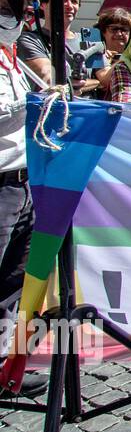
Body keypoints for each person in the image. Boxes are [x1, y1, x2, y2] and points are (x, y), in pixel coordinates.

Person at [0, 32, 43, 398]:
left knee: (13, 285)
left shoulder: (10, 54)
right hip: (1, 183)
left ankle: (2, 369)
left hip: (23, 179)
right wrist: (32, 105)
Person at [17, 0, 82, 87]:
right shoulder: (29, 40)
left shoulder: (87, 40)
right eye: (63, 0)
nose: (69, 6)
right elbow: (51, 80)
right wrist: (95, 82)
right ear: (42, 4)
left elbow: (105, 78)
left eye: (74, 1)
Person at [88, 7, 131, 98]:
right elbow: (104, 80)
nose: (119, 34)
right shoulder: (97, 53)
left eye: (124, 30)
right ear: (103, 32)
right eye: (114, 29)